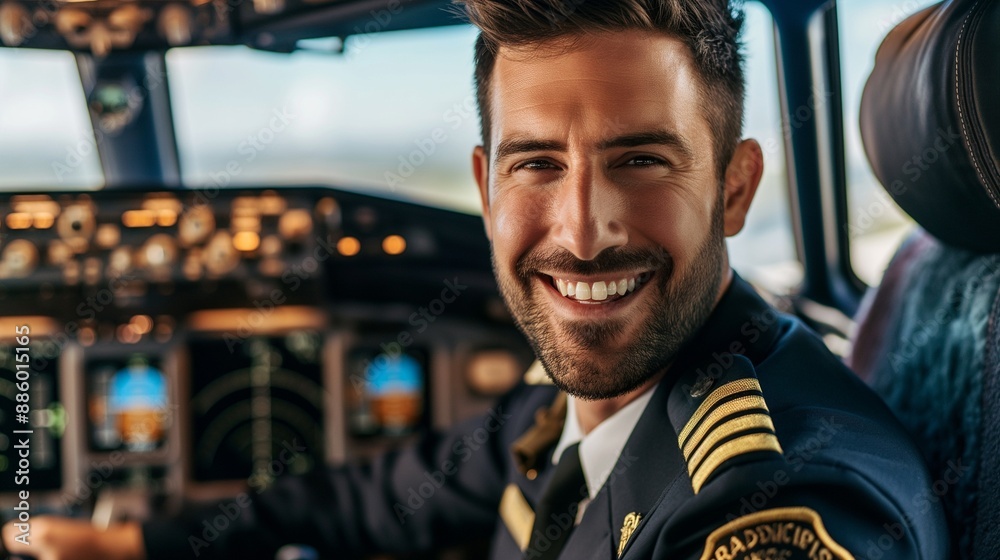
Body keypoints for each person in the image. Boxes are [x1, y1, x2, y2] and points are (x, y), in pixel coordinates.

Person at [1, 0, 949, 558]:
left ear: (735, 188)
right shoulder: (584, 399)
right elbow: (372, 495)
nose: (583, 235)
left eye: (643, 161)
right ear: (486, 190)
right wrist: (139, 542)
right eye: (536, 163)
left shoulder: (775, 498)